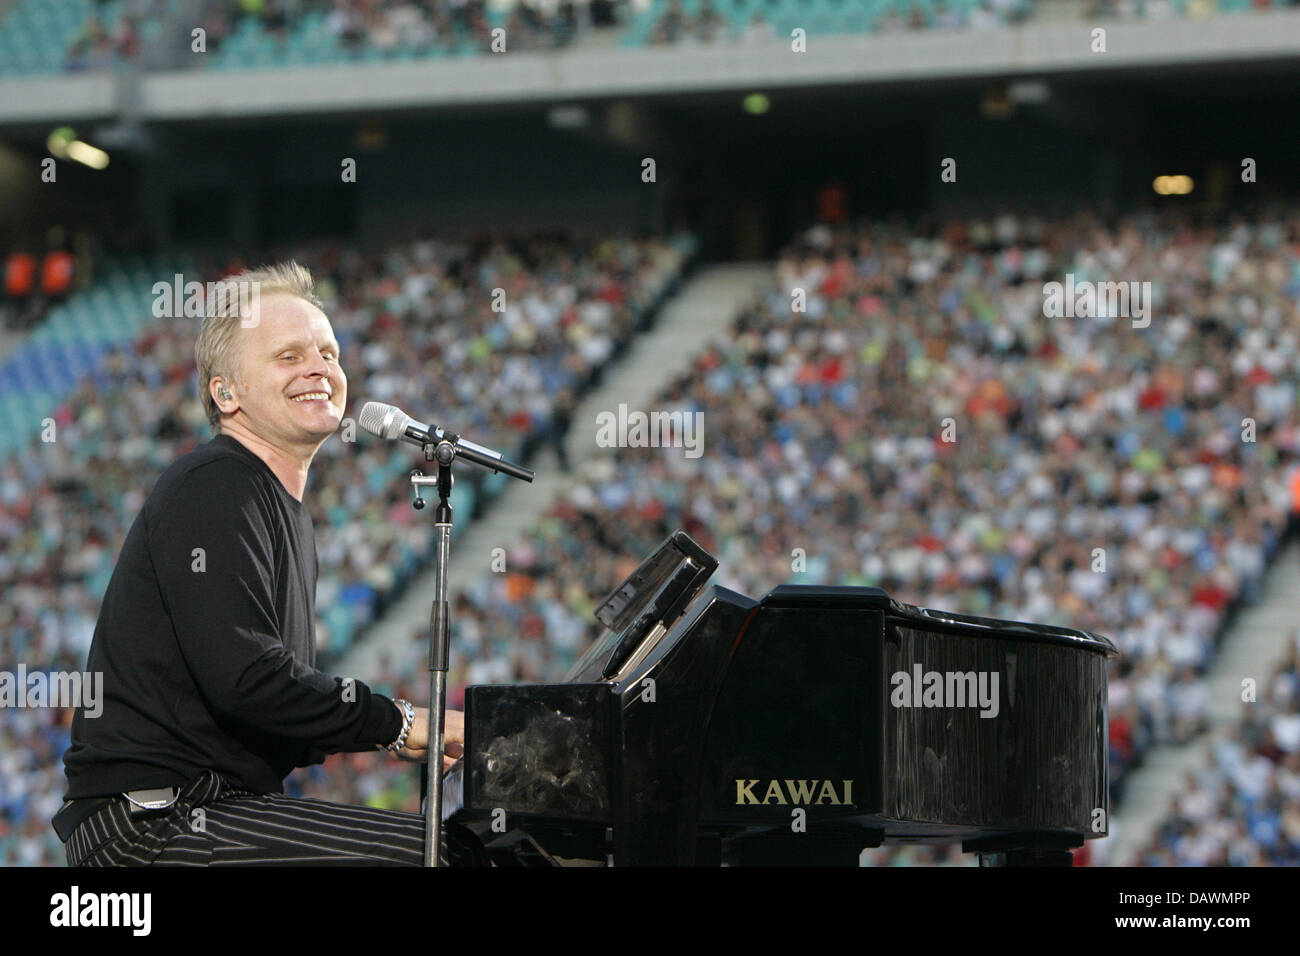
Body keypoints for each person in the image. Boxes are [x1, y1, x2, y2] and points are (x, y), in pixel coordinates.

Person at [52, 261, 463, 865]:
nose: (320, 368)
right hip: (150, 828)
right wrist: (399, 723)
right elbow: (246, 679)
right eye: (289, 357)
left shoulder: (275, 505)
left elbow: (267, 714)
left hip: (211, 810)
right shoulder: (216, 483)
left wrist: (391, 733)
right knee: (444, 859)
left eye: (328, 351)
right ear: (226, 393)